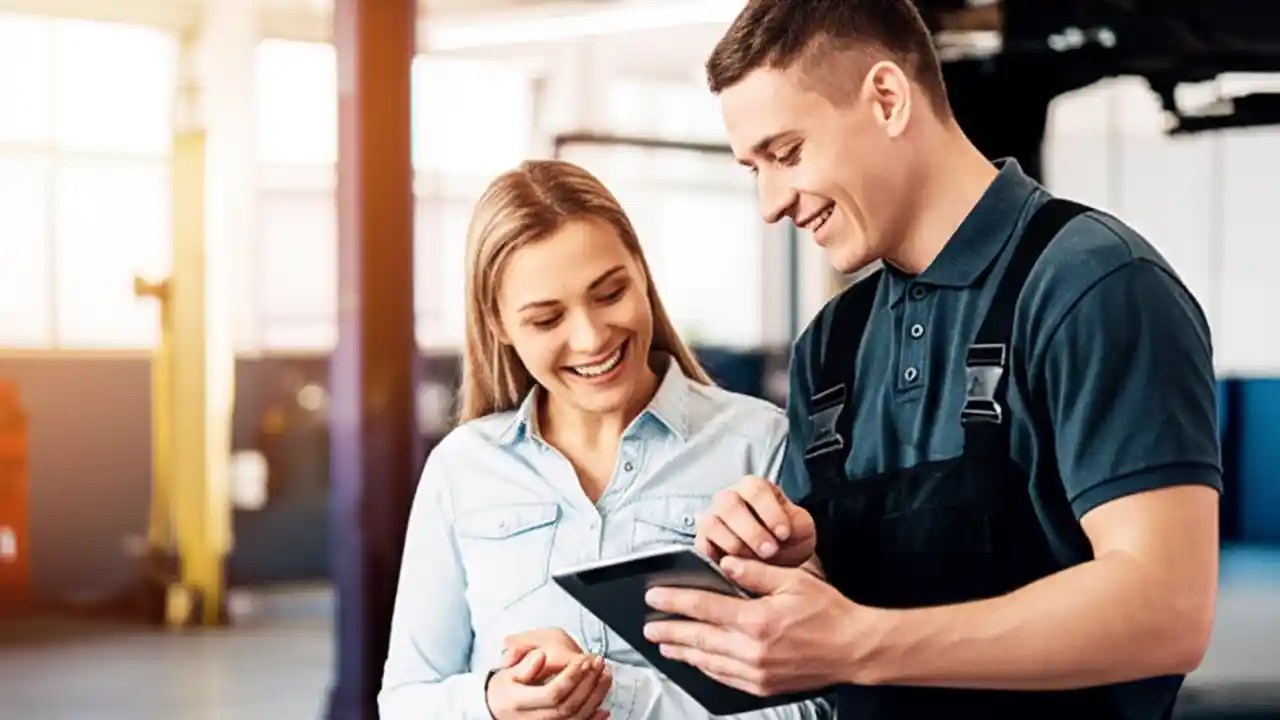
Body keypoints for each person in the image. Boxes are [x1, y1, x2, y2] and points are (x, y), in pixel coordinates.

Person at [641, 1, 1222, 718]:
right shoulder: (832, 344)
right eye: (752, 168)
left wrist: (860, 643)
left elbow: (1163, 609)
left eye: (787, 154)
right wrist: (785, 563)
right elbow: (829, 610)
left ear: (887, 99)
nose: (770, 203)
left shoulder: (1095, 286)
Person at [378, 159, 831, 720]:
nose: (591, 338)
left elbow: (814, 703)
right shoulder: (463, 468)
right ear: (499, 326)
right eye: (546, 320)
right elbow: (404, 701)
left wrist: (611, 694)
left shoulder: (758, 445)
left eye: (610, 293)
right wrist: (492, 702)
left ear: (642, 272)